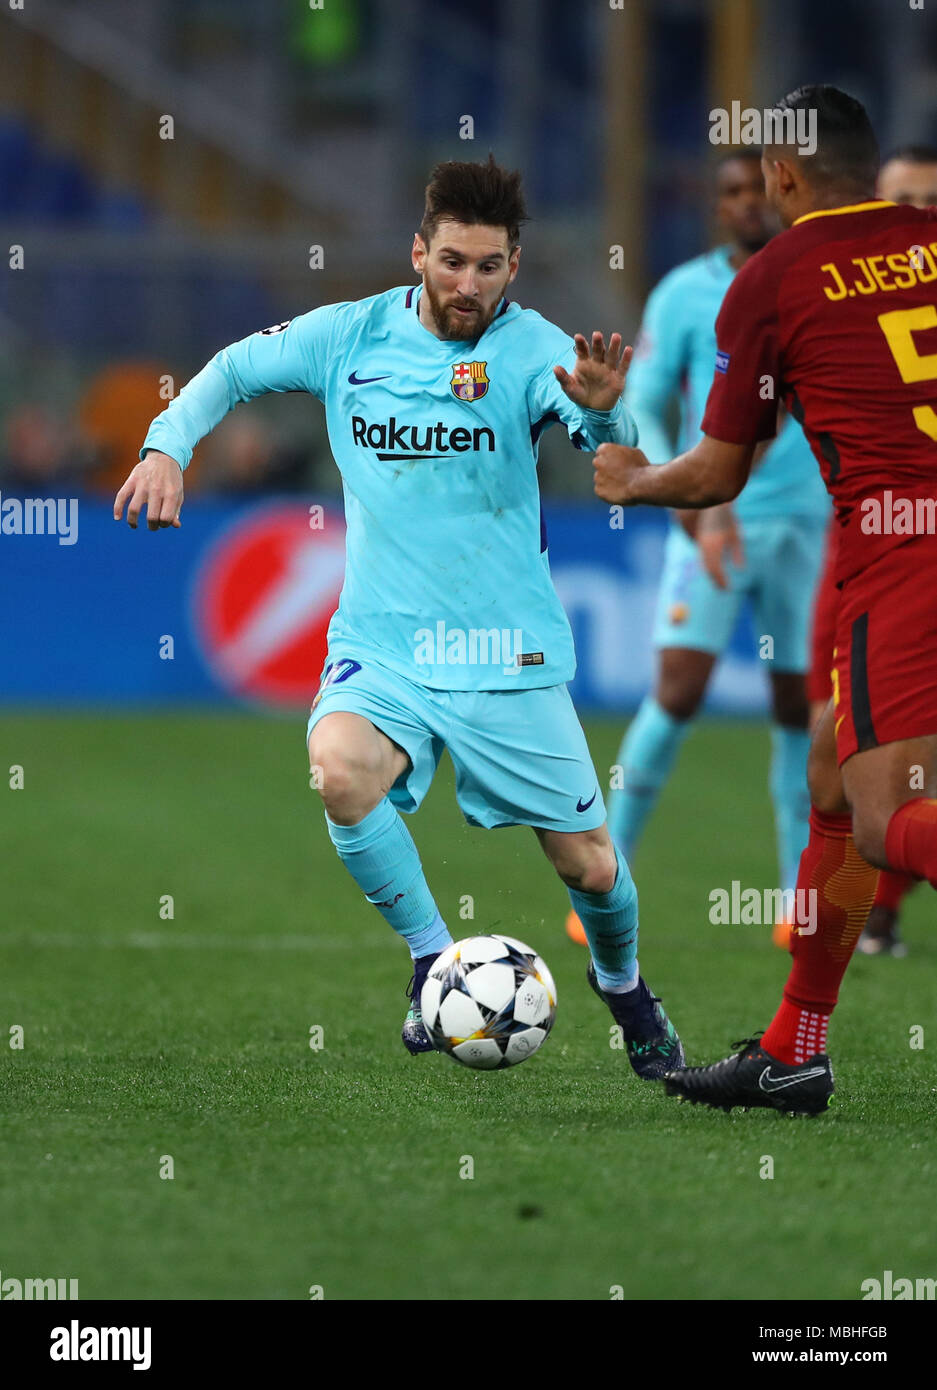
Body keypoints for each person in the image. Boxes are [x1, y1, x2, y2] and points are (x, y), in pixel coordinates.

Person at [113, 156, 684, 1079]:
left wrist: (606, 418)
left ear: (514, 268)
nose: (469, 285)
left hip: (508, 653)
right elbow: (229, 369)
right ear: (419, 252)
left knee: (588, 867)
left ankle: (625, 990)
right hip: (385, 646)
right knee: (339, 774)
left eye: (489, 266)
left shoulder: (538, 348)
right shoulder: (349, 336)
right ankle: (430, 965)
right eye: (453, 261)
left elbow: (621, 473)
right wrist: (165, 446)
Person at [591, 85, 937, 1113]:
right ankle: (794, 1049)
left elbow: (716, 471)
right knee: (829, 770)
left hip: (901, 556)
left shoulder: (775, 278)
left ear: (783, 176)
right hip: (884, 550)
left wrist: (633, 481)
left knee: (883, 824)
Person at [565, 150, 828, 949]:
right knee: (676, 690)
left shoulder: (819, 281)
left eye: (758, 189)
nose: (745, 203)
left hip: (808, 521)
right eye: (730, 192)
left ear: (784, 194)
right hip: (713, 520)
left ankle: (795, 902)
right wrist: (690, 498)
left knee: (799, 708)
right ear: (717, 206)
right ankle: (602, 881)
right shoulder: (683, 294)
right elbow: (645, 395)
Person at [806, 144, 937, 960]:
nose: (913, 217)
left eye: (928, 201)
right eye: (901, 201)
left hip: (912, 544)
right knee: (830, 753)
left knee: (880, 794)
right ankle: (796, 1034)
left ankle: (870, 915)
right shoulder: (835, 294)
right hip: (864, 538)